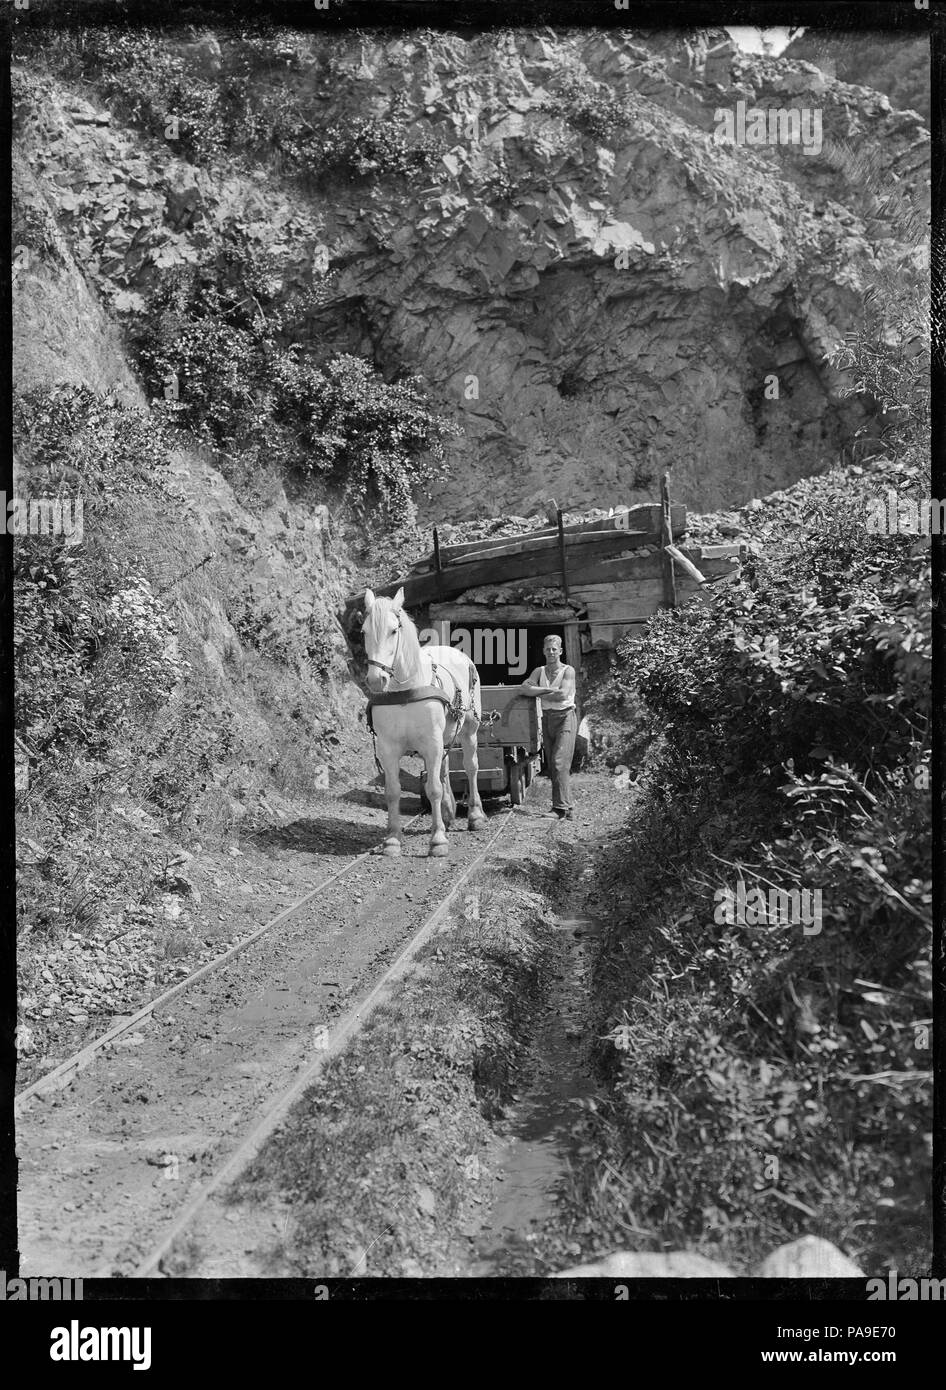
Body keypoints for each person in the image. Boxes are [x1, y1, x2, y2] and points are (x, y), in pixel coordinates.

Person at [519, 634, 577, 819]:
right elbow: (525, 688)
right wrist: (551, 690)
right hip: (547, 718)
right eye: (548, 649)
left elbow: (563, 695)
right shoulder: (539, 671)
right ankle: (568, 808)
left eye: (554, 649)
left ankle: (559, 809)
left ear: (561, 651)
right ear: (543, 651)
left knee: (560, 762)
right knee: (554, 764)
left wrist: (538, 692)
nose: (551, 652)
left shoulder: (568, 671)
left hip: (565, 717)